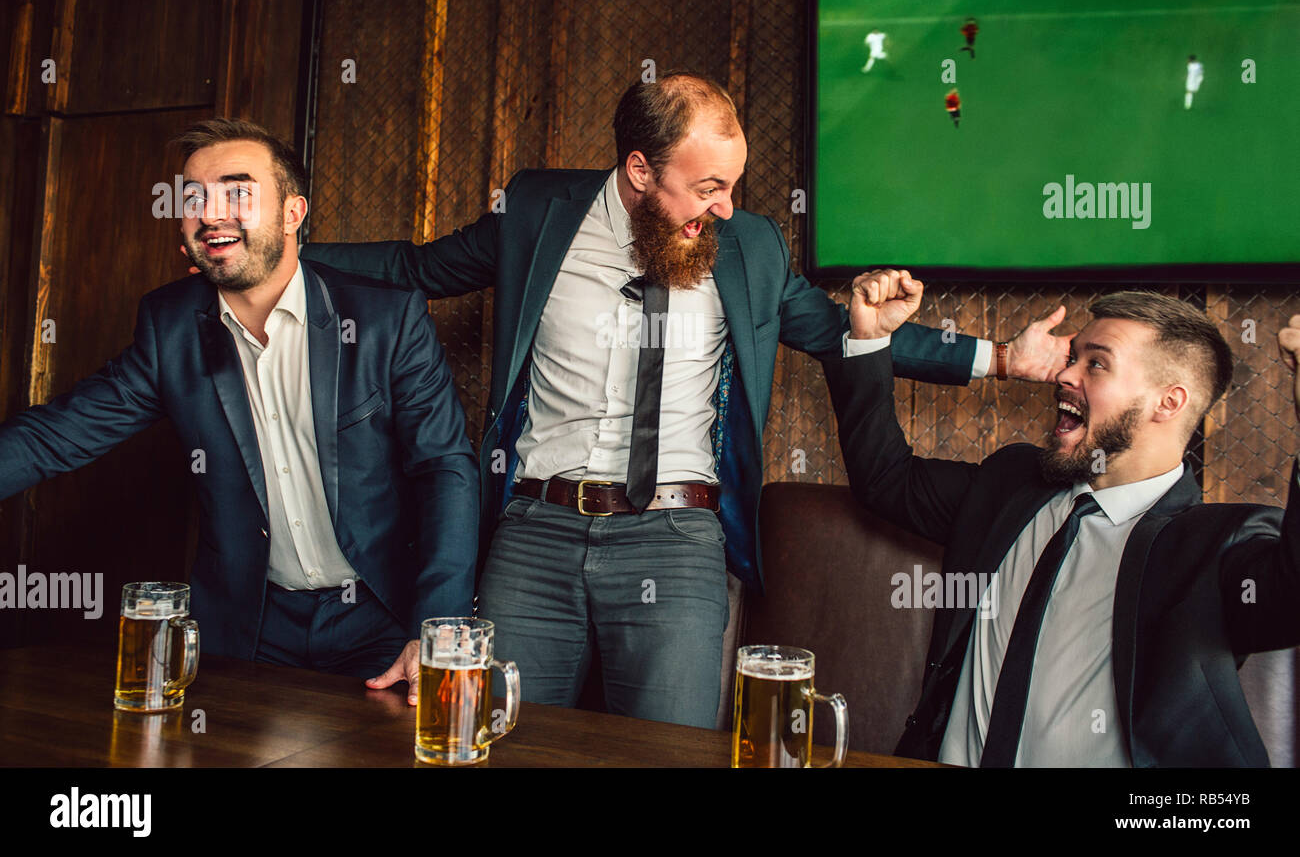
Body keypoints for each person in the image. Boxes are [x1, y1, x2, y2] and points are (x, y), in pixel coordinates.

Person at [302, 72, 1069, 728]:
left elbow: (847, 330)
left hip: (674, 541)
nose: (728, 206)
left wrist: (998, 357)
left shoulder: (749, 247)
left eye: (734, 184)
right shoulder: (537, 213)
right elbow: (414, 267)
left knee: (673, 754)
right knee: (504, 741)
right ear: (640, 170)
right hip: (532, 535)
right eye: (709, 187)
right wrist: (281, 254)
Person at [0, 119, 477, 703]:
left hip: (381, 623)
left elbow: (446, 470)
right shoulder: (169, 326)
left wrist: (438, 632)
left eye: (238, 193)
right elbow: (55, 436)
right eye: (194, 198)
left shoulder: (385, 320)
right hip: (248, 629)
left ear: (293, 213)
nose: (212, 212)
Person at [824, 269, 1300, 766]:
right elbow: (885, 479)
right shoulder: (1011, 482)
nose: (1065, 375)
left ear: (1169, 401)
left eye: (1097, 365)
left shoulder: (1215, 548)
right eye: (1074, 358)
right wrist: (870, 339)